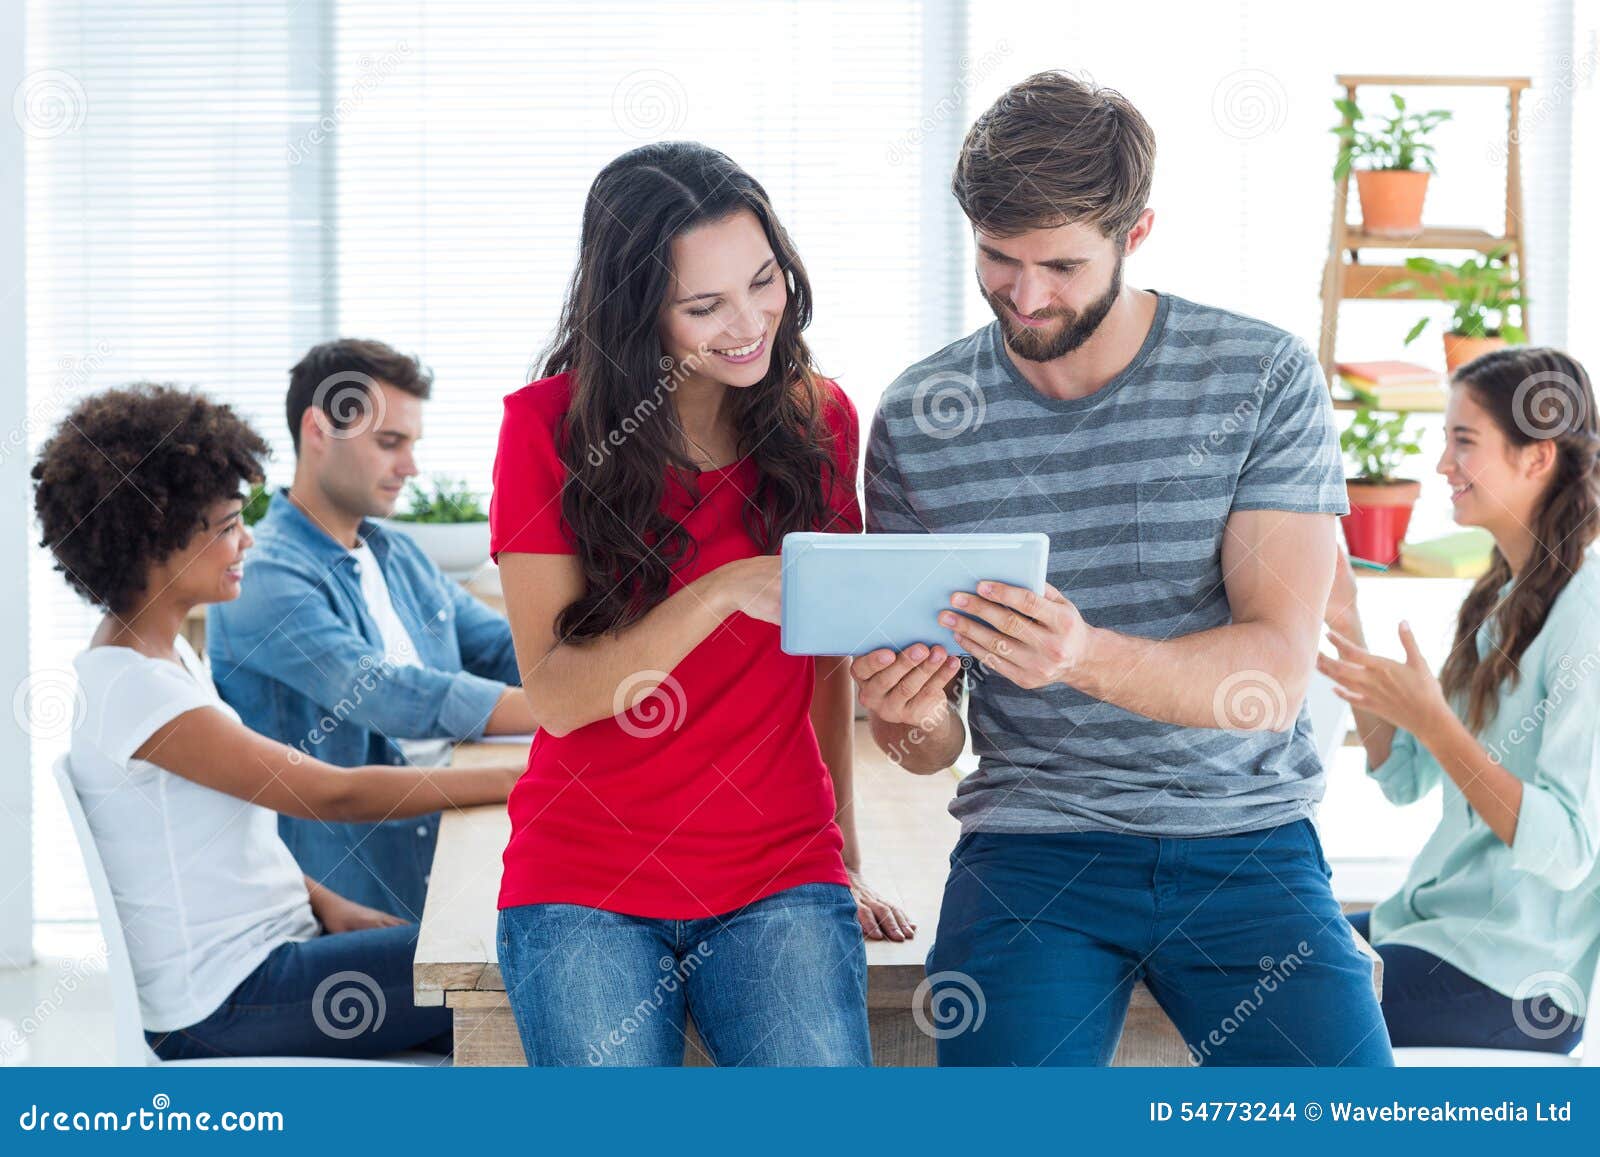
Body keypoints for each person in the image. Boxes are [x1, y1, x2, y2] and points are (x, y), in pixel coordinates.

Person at [855, 71, 1391, 1066]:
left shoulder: (1258, 376)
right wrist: (908, 715)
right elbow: (934, 743)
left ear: (1135, 233)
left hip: (1245, 842)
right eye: (997, 259)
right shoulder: (919, 418)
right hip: (1031, 848)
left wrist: (1079, 653)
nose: (1024, 294)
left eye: (1058, 263)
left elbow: (1270, 679)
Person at [490, 141, 910, 1066]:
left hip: (780, 870)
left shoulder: (819, 420)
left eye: (765, 281)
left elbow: (826, 670)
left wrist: (845, 850)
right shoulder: (546, 432)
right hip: (585, 875)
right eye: (704, 305)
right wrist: (722, 590)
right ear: (638, 313)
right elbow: (558, 693)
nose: (750, 322)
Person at [33, 384, 516, 1060]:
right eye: (228, 524)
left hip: (268, 961)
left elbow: (228, 840)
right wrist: (528, 777)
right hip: (228, 1002)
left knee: (491, 966)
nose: (247, 539)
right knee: (509, 959)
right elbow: (329, 793)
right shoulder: (138, 691)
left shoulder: (154, 657)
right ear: (157, 537)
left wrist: (323, 901)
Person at [1320, 347, 1599, 1054]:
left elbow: (1566, 849)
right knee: (1240, 966)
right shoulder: (1499, 597)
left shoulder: (1588, 609)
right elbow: (1407, 774)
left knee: (1278, 1007)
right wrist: (1346, 619)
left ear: (1537, 457)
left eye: (1463, 441)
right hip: (1429, 922)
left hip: (1511, 977)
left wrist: (1435, 721)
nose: (1443, 464)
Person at [208, 339, 533, 921]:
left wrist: (600, 667)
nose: (409, 466)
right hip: (356, 891)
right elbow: (386, 693)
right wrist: (558, 708)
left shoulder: (395, 553)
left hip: (450, 832)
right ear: (317, 430)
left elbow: (503, 647)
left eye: (412, 444)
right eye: (390, 443)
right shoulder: (262, 574)